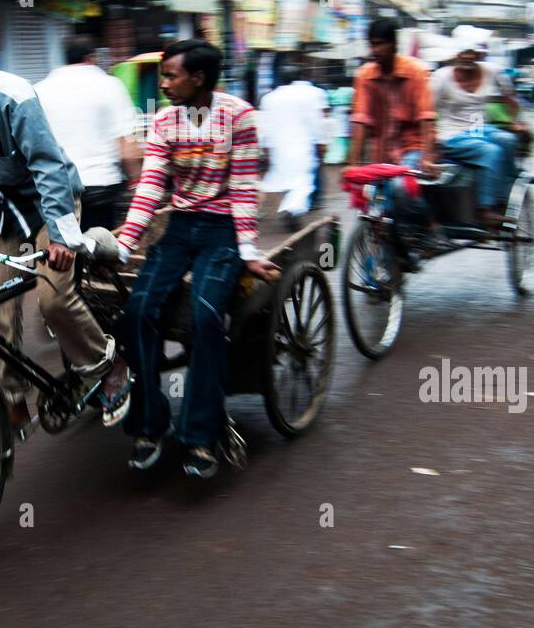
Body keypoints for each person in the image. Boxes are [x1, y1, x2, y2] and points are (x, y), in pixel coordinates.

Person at [0, 8, 130, 427]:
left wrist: (63, 240)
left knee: (53, 299)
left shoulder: (13, 95)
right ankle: (13, 396)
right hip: (7, 211)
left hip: (52, 201)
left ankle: (107, 367)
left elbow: (48, 166)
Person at [115, 39, 279, 480]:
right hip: (181, 227)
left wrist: (247, 251)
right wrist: (126, 243)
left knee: (207, 318)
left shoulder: (239, 116)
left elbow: (245, 188)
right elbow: (151, 186)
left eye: (170, 76)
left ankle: (201, 434)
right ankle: (149, 424)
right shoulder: (166, 120)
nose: (164, 84)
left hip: (222, 230)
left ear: (198, 78)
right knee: (137, 311)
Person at [36, 34, 141, 232]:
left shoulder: (39, 89)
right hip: (100, 186)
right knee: (99, 249)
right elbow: (127, 144)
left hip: (56, 188)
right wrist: (136, 182)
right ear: (91, 57)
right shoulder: (111, 85)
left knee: (64, 252)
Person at [431, 28, 524, 225]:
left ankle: (503, 198)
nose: (466, 60)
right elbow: (428, 111)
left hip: (478, 129)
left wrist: (515, 121)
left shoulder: (493, 71)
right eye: (462, 55)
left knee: (508, 140)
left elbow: (511, 97)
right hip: (450, 134)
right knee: (491, 152)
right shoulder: (441, 77)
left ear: (479, 55)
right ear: (455, 56)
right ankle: (486, 208)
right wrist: (430, 145)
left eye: (471, 55)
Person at [346, 18, 437, 173]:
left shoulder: (416, 72)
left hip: (414, 148)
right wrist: (353, 164)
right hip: (382, 152)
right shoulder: (364, 76)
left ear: (394, 44)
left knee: (401, 186)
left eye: (380, 44)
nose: (375, 50)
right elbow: (360, 120)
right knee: (372, 192)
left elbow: (426, 118)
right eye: (372, 45)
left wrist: (427, 158)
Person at [258, 63, 329, 228]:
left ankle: (290, 208)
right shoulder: (310, 94)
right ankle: (293, 209)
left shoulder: (269, 98)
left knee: (283, 180)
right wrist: (321, 143)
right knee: (302, 182)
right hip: (302, 144)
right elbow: (317, 122)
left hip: (278, 146)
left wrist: (266, 149)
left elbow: (265, 127)